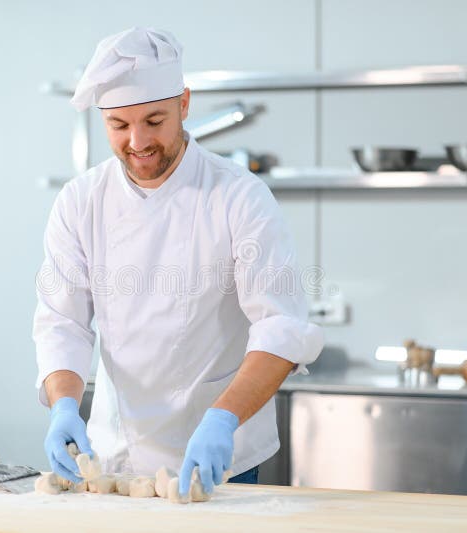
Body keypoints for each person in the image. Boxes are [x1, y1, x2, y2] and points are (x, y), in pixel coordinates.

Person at [33, 27, 324, 498]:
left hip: (220, 456)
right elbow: (61, 323)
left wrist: (223, 419)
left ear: (184, 104)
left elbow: (280, 326)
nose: (137, 141)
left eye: (154, 120)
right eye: (118, 125)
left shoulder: (239, 196)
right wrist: (64, 407)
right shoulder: (80, 201)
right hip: (115, 456)